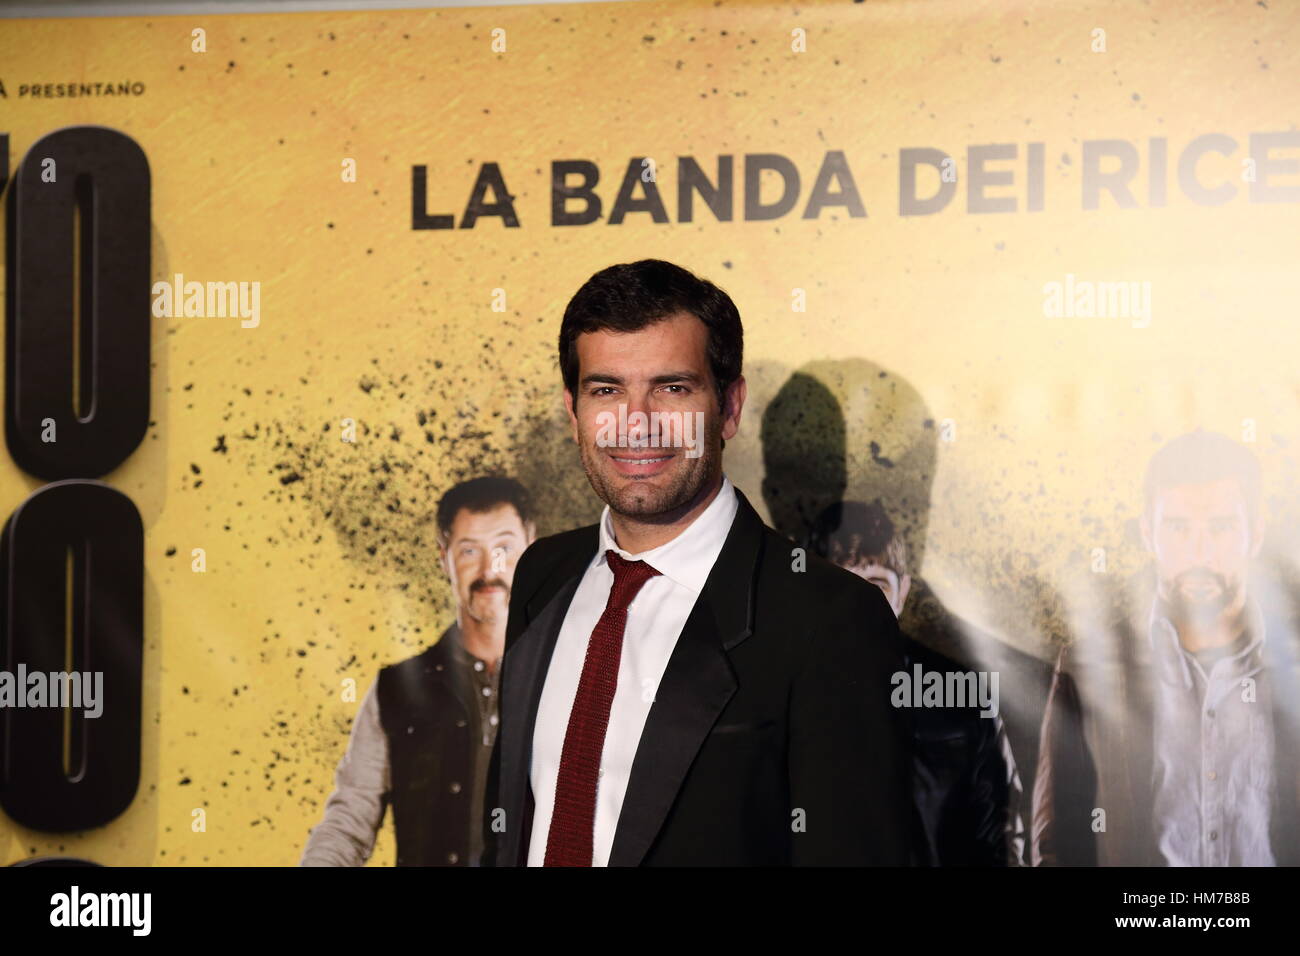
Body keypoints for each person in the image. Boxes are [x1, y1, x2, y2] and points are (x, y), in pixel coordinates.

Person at [483, 259, 910, 867]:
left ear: (730, 407)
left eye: (672, 388)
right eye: (606, 390)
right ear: (573, 411)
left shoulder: (829, 618)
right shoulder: (541, 576)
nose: (637, 422)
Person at [1032, 429, 1300, 865]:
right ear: (1147, 533)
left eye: (1221, 527)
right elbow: (1056, 840)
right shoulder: (1090, 664)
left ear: (1255, 534)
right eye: (1177, 528)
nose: (1199, 551)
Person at [300, 476, 535, 866]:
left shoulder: (570, 672)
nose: (488, 569)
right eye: (468, 551)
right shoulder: (396, 690)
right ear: (443, 558)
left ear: (532, 546)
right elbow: (349, 821)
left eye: (505, 548)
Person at [808, 499, 1025, 866]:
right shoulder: (770, 694)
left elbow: (1002, 841)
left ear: (902, 593)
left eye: (875, 586)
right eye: (840, 585)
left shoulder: (963, 698)